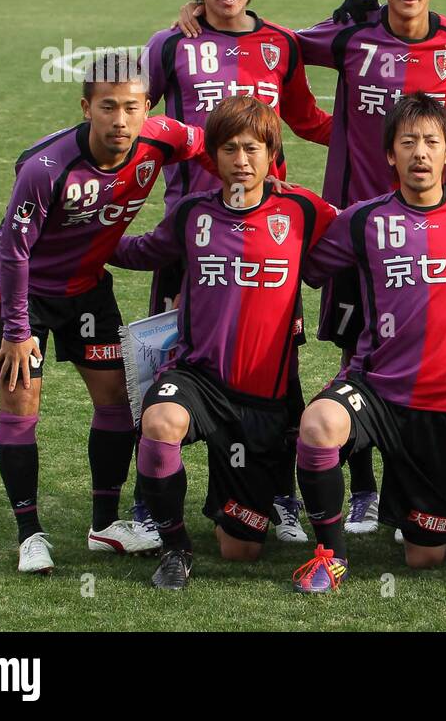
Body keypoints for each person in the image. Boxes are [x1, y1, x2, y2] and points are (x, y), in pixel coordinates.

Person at [178, 0, 446, 537]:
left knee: (426, 356)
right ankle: (361, 491)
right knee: (354, 349)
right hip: (351, 228)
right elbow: (273, 44)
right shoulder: (350, 40)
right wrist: (203, 19)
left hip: (435, 231)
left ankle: (411, 495)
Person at [289, 94, 446, 592]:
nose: (419, 153)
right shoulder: (363, 219)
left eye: (431, 142)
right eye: (407, 142)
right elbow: (307, 266)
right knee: (318, 424)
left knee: (425, 557)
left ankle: (402, 509)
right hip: (372, 387)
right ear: (390, 155)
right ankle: (329, 556)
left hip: (436, 401)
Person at [141, 0, 334, 544]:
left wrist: (381, 129)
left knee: (273, 362)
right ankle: (152, 500)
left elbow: (306, 119)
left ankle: (276, 495)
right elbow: (136, 121)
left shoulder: (281, 45)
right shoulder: (170, 45)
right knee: (167, 360)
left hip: (265, 234)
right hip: (189, 234)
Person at [0, 52, 213, 574]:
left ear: (146, 108)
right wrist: (18, 332)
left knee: (115, 402)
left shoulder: (163, 138)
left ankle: (104, 526)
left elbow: (214, 147)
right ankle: (30, 535)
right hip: (24, 293)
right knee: (23, 400)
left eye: (131, 107)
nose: (120, 119)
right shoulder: (43, 168)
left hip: (89, 289)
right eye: (107, 107)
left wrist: (241, 193)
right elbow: (12, 254)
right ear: (86, 107)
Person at [111, 98, 338, 589]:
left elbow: (357, 236)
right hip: (199, 380)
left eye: (252, 148)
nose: (241, 160)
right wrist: (86, 231)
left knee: (241, 551)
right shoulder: (193, 213)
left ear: (271, 153)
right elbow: (141, 251)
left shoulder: (301, 209)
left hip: (262, 399)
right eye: (229, 149)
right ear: (212, 156)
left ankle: (248, 505)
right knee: (160, 421)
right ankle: (175, 549)